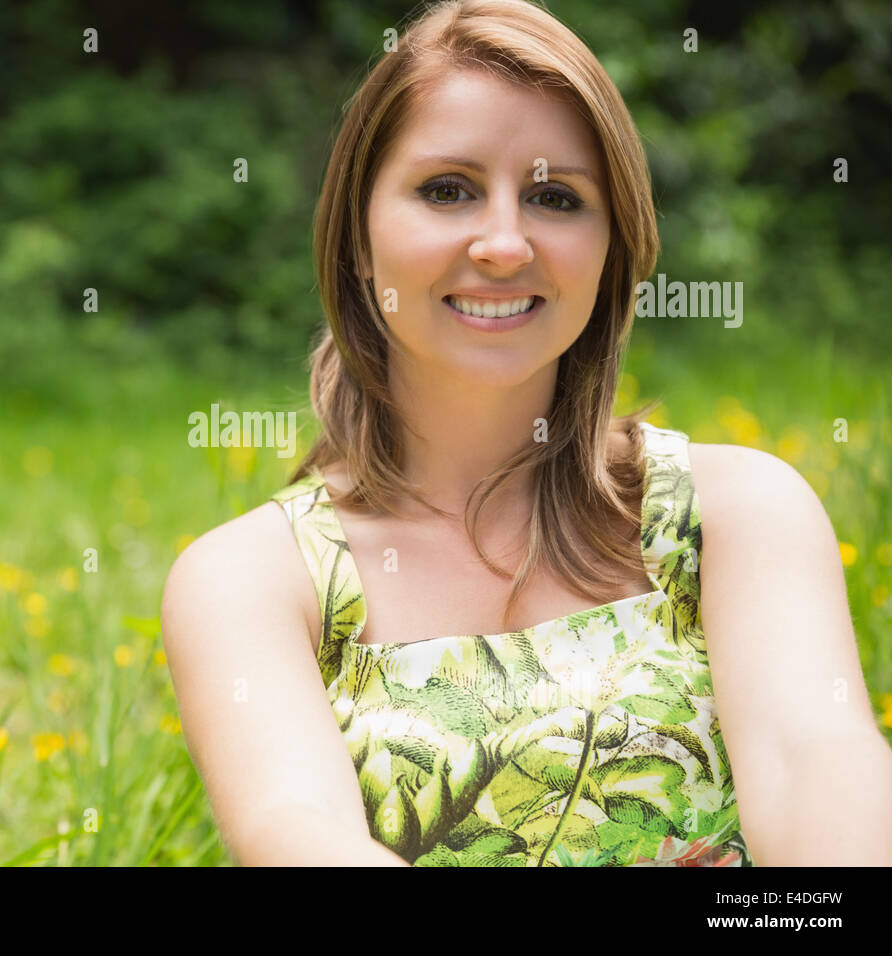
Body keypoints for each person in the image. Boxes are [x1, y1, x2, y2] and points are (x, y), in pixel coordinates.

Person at [160, 0, 892, 866]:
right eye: (447, 190)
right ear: (359, 237)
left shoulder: (737, 518)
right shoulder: (251, 583)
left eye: (554, 197)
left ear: (612, 246)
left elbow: (821, 772)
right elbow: (300, 838)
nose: (504, 244)